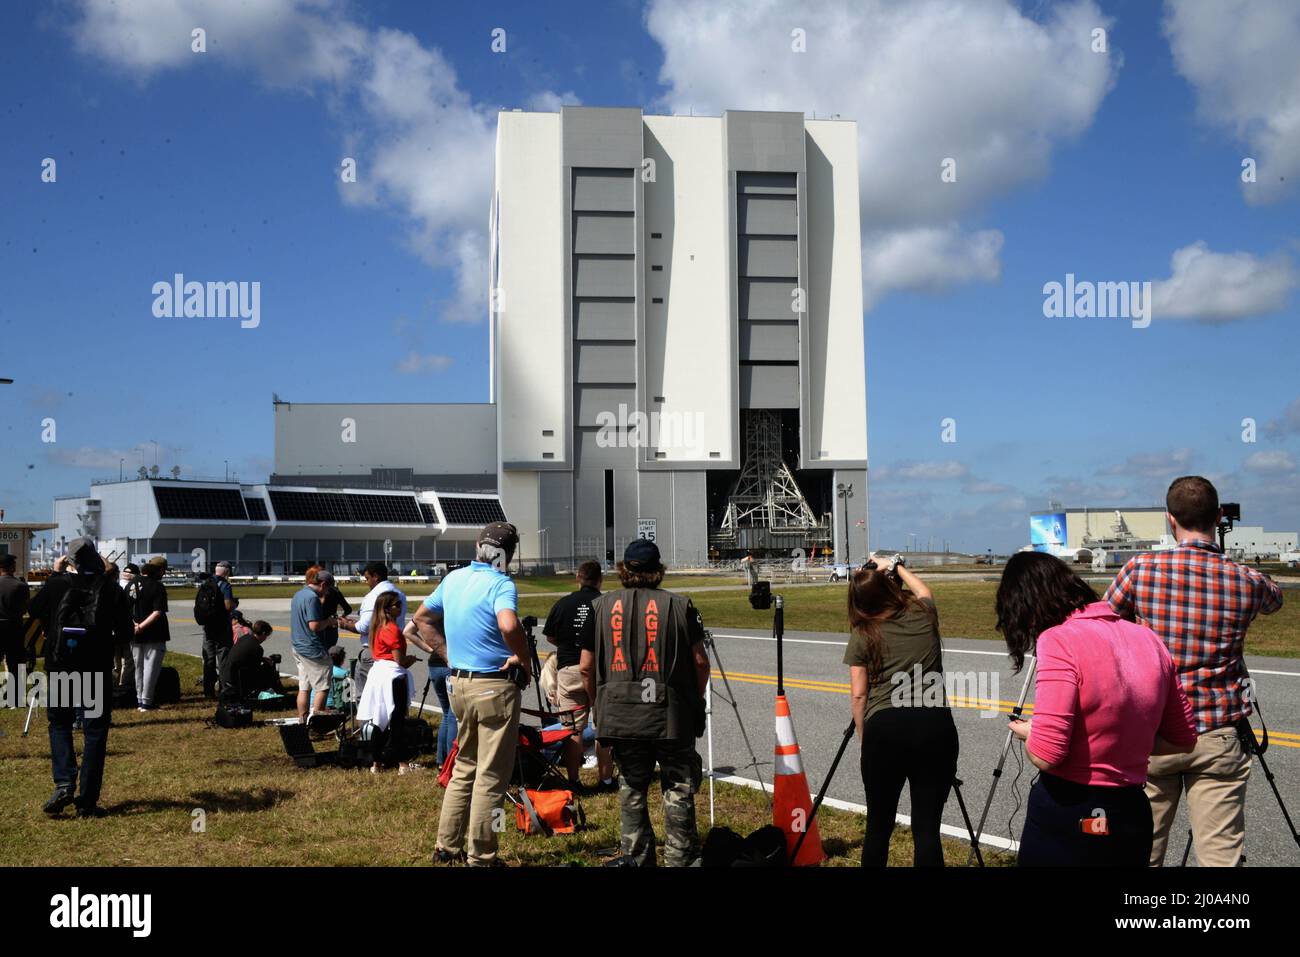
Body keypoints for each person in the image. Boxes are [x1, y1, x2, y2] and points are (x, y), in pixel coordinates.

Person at [1105, 476, 1284, 867]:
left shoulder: (1140, 569)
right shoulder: (1245, 580)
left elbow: (1104, 621)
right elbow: (1275, 599)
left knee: (1140, 851)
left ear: (1170, 520)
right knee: (1220, 855)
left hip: (1152, 732)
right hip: (1218, 733)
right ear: (1218, 517)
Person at [996, 551, 1198, 866]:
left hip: (1071, 808)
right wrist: (1120, 747)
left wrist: (1031, 733)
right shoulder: (1148, 638)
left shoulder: (1058, 639)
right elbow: (1183, 737)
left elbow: (1047, 755)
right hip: (1131, 810)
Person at [413, 522, 530, 866]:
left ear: (478, 545)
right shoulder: (501, 584)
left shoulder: (453, 579)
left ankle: (446, 847)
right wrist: (522, 658)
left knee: (464, 767)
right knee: (492, 774)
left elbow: (421, 618)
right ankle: (483, 854)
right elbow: (508, 624)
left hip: (460, 684)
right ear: (508, 554)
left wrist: (450, 655)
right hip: (494, 685)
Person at [589, 539, 710, 867]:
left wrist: (596, 707)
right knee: (678, 788)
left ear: (623, 570)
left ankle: (636, 858)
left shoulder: (600, 607)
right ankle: (681, 858)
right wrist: (694, 702)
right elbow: (700, 662)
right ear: (658, 571)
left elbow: (587, 665)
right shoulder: (680, 606)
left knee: (631, 787)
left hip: (620, 713)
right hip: (669, 715)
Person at [844, 553, 957, 867]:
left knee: (878, 828)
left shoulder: (863, 633)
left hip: (885, 729)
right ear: (889, 587)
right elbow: (924, 591)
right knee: (927, 830)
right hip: (935, 727)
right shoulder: (923, 613)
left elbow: (858, 695)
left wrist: (866, 738)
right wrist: (895, 566)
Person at [28, 538, 132, 817]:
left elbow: (35, 610)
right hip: (96, 669)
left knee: (59, 723)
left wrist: (56, 572)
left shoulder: (57, 583)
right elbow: (125, 633)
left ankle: (63, 783)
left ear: (70, 561)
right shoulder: (110, 588)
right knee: (95, 731)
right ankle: (87, 800)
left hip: (62, 666)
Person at [542, 560, 614, 789]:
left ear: (578, 578)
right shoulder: (606, 604)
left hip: (569, 669)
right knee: (603, 728)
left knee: (571, 729)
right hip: (600, 669)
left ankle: (573, 781)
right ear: (600, 580)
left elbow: (551, 637)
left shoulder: (563, 604)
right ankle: (606, 778)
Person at [358, 591, 423, 773]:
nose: (401, 608)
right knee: (397, 721)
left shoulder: (377, 627)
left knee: (380, 719)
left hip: (379, 674)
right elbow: (400, 661)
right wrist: (410, 659)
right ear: (387, 609)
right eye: (397, 605)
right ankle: (401, 762)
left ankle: (376, 762)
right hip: (392, 676)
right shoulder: (392, 629)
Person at [340, 561, 405, 700]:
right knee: (388, 696)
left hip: (375, 650)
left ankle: (369, 721)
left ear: (375, 576)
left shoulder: (375, 595)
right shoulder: (399, 593)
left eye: (367, 578)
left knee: (365, 696)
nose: (367, 582)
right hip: (394, 650)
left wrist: (346, 625)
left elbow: (365, 627)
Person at [290, 569, 340, 723]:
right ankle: (317, 724)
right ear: (323, 584)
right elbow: (314, 625)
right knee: (322, 687)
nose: (327, 592)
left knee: (304, 687)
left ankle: (302, 719)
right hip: (312, 649)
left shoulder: (299, 594)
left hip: (298, 646)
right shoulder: (313, 598)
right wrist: (330, 621)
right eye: (328, 589)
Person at [130, 556, 171, 712]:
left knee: (138, 667)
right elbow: (157, 612)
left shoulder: (131, 585)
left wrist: (134, 625)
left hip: (133, 632)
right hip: (154, 632)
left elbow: (124, 609)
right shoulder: (157, 586)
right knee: (150, 668)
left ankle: (140, 700)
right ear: (159, 570)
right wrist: (142, 626)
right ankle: (147, 702)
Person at [220, 619, 286, 703]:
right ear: (263, 633)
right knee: (267, 670)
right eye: (267, 636)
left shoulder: (245, 638)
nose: (265, 639)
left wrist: (262, 659)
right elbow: (254, 669)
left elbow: (244, 657)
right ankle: (272, 691)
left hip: (227, 676)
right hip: (236, 680)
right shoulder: (257, 648)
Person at [201, 560, 236, 698]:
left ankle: (208, 690)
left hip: (208, 626)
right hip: (222, 626)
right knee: (223, 657)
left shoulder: (206, 583)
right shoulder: (225, 585)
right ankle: (224, 688)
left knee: (208, 658)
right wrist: (234, 604)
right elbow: (228, 606)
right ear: (226, 572)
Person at [0, 552, 30, 679]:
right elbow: (24, 610)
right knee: (15, 666)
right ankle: (15, 696)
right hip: (13, 629)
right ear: (12, 567)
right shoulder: (20, 586)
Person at [114, 563, 139, 689]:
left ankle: (124, 685)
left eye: (129, 572)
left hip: (127, 628)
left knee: (128, 660)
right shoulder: (117, 586)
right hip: (116, 628)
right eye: (125, 571)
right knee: (116, 661)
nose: (126, 573)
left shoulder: (135, 588)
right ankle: (115, 685)